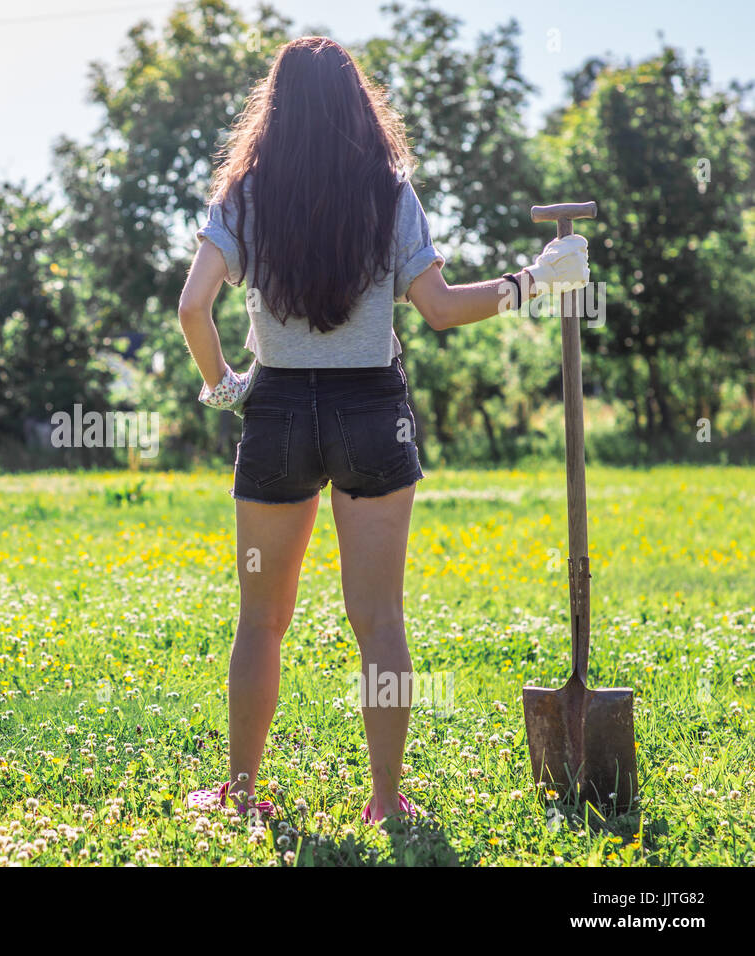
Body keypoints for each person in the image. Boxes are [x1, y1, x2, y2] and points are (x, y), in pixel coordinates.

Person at [176, 36, 589, 823]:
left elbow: (193, 307)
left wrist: (224, 385)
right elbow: (438, 310)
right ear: (356, 102)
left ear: (276, 106)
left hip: (278, 413)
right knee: (381, 621)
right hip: (372, 413)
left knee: (260, 619)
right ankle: (384, 802)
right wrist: (536, 278)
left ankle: (242, 796)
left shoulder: (243, 196)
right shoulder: (389, 191)